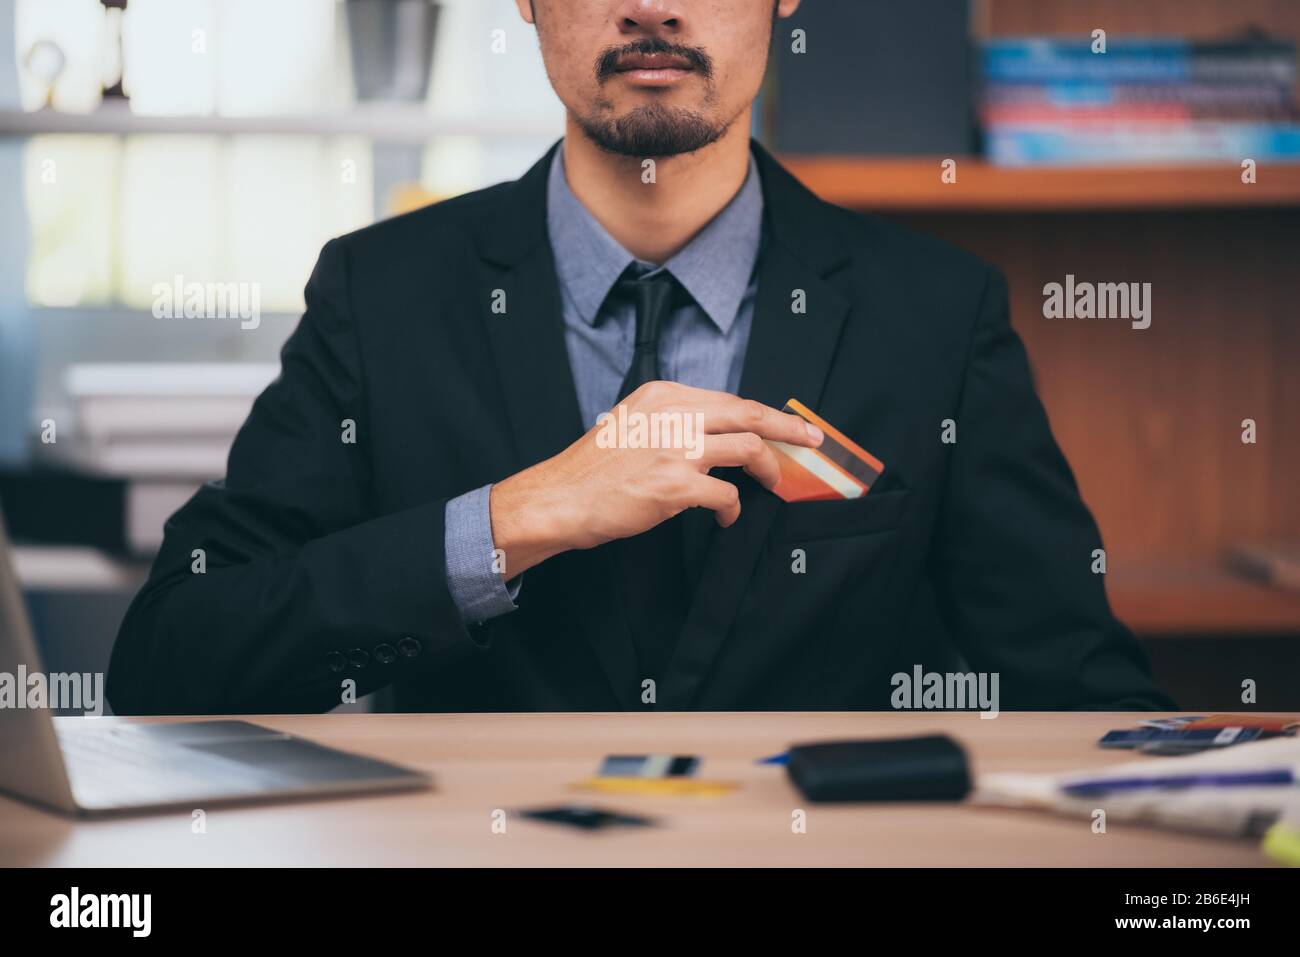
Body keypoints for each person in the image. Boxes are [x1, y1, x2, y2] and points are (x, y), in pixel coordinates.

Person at [107, 0, 1173, 714]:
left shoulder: (933, 310)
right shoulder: (379, 292)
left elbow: (1084, 698)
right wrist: (509, 521)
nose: (653, 4)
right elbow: (169, 661)